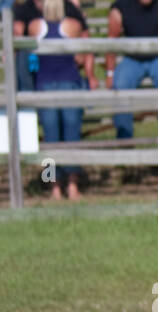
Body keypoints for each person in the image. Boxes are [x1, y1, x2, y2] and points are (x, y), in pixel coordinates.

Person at [27, 0, 92, 199]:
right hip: (69, 83)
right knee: (72, 135)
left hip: (45, 85)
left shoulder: (34, 26)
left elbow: (32, 60)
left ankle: (53, 186)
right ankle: (72, 185)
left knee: (50, 138)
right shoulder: (73, 26)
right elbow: (80, 58)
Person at [106, 0, 158, 142]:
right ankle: (124, 139)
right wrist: (110, 73)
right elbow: (111, 42)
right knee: (120, 84)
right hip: (132, 59)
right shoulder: (120, 8)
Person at [13, 0, 91, 93]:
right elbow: (82, 55)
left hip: (44, 79)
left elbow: (18, 34)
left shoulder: (34, 24)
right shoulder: (72, 22)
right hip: (66, 78)